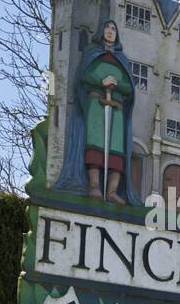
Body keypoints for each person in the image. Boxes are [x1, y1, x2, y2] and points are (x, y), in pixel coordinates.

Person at [53, 18, 140, 205]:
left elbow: (128, 87)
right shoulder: (93, 53)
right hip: (96, 105)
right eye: (107, 28)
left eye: (113, 29)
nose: (110, 31)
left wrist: (117, 83)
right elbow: (85, 75)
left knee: (116, 149)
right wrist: (102, 80)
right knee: (96, 144)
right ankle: (94, 186)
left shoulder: (121, 60)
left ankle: (113, 191)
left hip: (116, 110)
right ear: (101, 31)